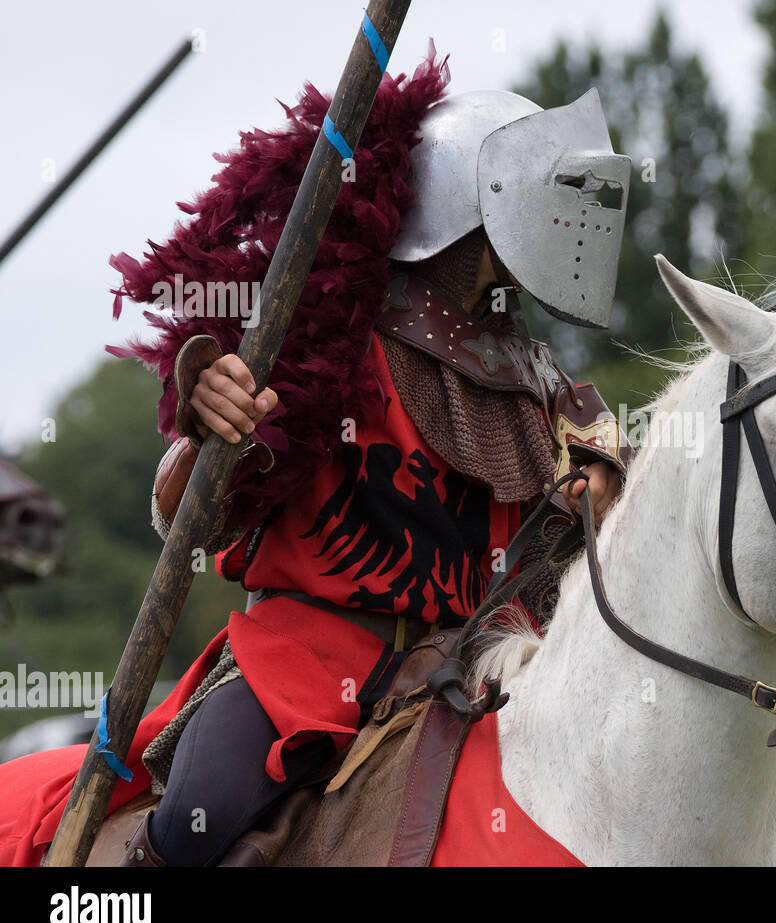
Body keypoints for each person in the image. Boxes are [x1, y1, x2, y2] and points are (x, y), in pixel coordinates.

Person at [58, 44, 632, 867]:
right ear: (471, 210)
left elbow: (612, 498)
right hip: (306, 662)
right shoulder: (321, 344)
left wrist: (611, 482)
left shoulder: (544, 385)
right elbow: (186, 510)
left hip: (482, 675)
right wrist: (212, 423)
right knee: (200, 818)